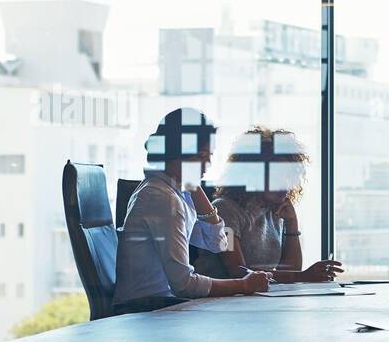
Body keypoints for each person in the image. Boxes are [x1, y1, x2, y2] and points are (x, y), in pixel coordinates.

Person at [113, 108, 272, 313]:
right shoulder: (161, 199)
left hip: (164, 306)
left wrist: (194, 186)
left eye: (209, 156)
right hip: (147, 310)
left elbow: (219, 244)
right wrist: (244, 285)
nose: (208, 164)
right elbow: (184, 284)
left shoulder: (178, 193)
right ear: (178, 153)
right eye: (201, 156)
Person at [194, 126, 342, 283]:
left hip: (257, 300)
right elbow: (237, 271)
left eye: (289, 175)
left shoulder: (275, 211)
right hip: (220, 302)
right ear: (253, 174)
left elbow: (291, 270)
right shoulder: (225, 210)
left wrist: (292, 223)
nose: (286, 184)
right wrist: (304, 276)